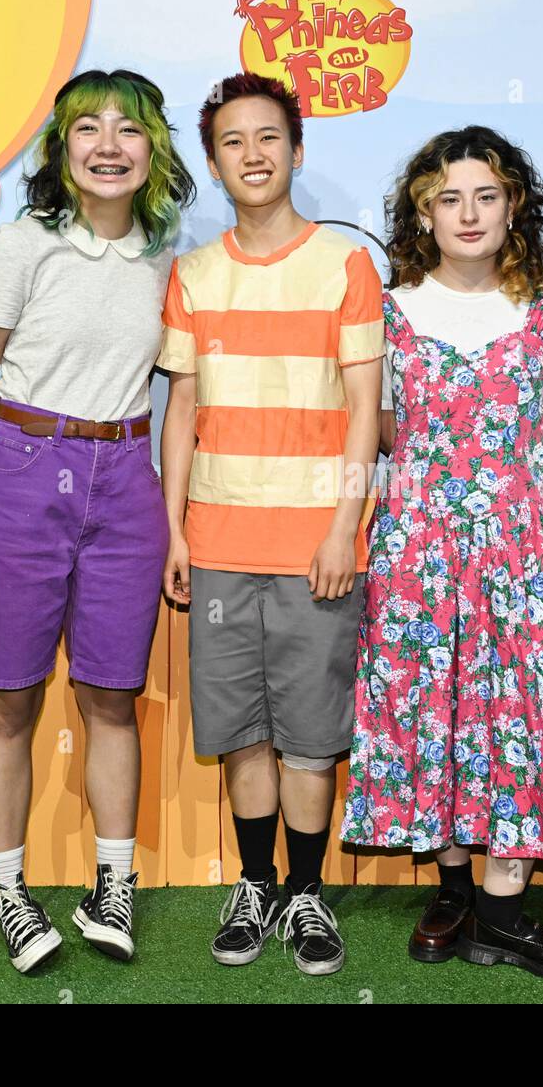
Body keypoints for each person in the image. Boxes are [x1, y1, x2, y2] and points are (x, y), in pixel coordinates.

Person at [339, 126, 543, 982]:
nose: (468, 213)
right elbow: (376, 431)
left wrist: (521, 536)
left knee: (519, 713)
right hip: (417, 546)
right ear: (422, 212)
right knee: (434, 706)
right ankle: (453, 890)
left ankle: (501, 912)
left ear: (514, 207)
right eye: (447, 198)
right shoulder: (387, 312)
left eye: (485, 196)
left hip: (516, 549)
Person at [0, 69, 195, 973]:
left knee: (111, 695)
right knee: (12, 696)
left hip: (130, 480)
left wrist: (102, 459)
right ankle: (8, 889)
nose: (106, 146)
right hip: (20, 478)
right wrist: (42, 450)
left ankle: (112, 887)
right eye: (85, 128)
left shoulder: (171, 261)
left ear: (153, 149)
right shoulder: (18, 246)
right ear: (61, 148)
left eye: (127, 130)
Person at [157, 73, 383, 977]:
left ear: (297, 150)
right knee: (242, 733)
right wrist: (175, 533)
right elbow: (180, 414)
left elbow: (366, 409)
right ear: (214, 163)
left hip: (315, 549)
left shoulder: (345, 266)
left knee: (311, 737)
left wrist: (344, 526)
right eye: (232, 142)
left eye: (268, 138)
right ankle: (256, 886)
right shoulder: (194, 275)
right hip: (215, 545)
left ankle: (306, 896)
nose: (252, 155)